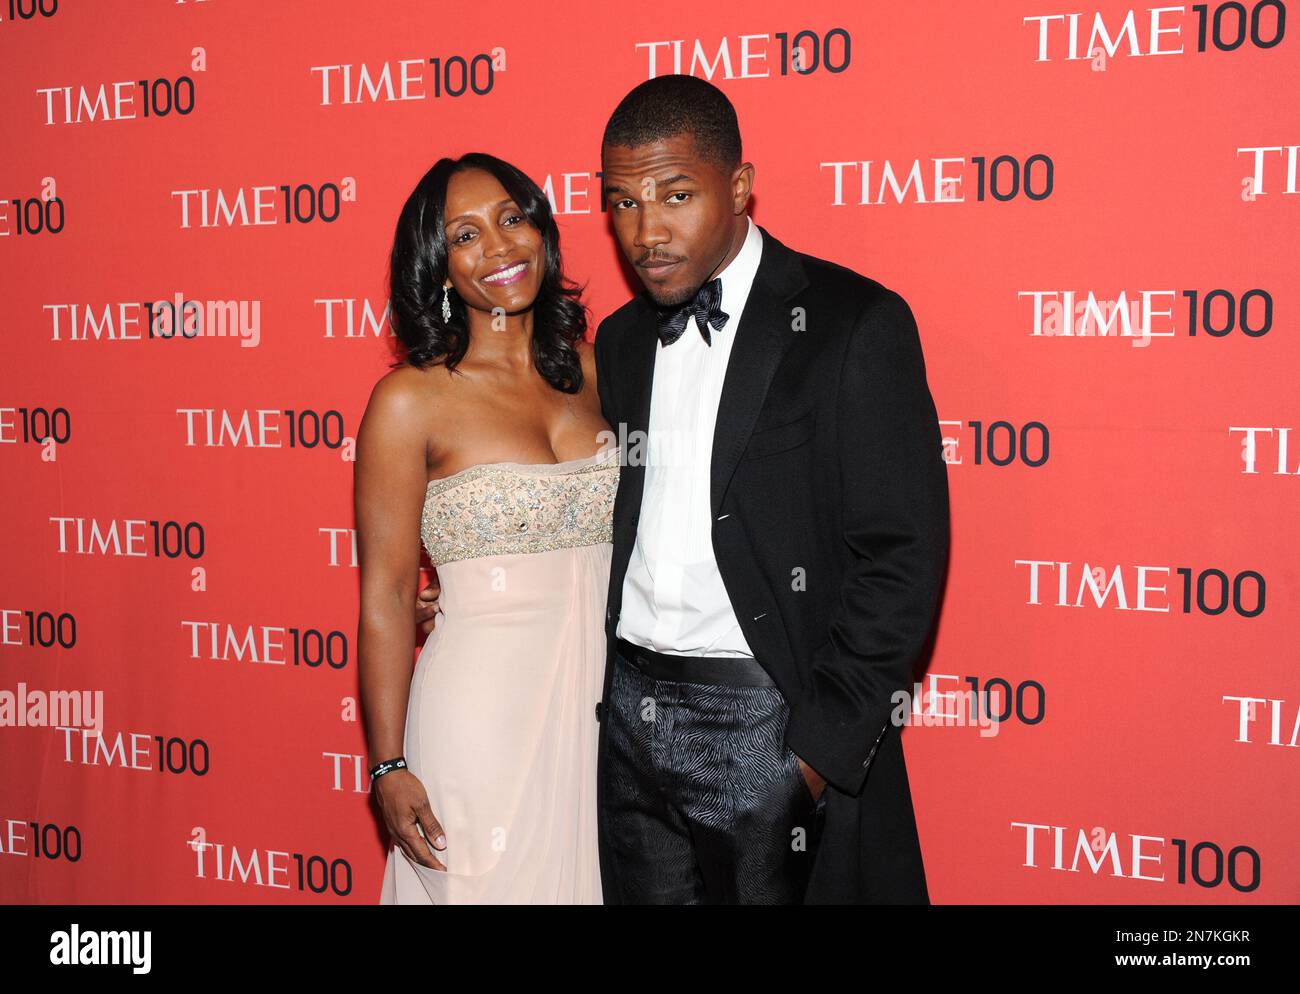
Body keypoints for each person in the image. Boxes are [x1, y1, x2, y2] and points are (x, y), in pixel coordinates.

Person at [419, 74, 950, 904]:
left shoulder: (852, 324)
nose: (646, 230)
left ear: (739, 188)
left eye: (675, 195)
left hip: (764, 718)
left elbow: (901, 557)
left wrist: (810, 760)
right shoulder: (623, 343)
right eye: (622, 203)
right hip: (623, 718)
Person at [358, 152, 617, 904]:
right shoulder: (410, 402)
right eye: (466, 236)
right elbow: (386, 593)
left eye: (512, 219)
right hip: (478, 722)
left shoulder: (603, 373)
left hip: (607, 722)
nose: (501, 248)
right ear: (439, 268)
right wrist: (387, 764)